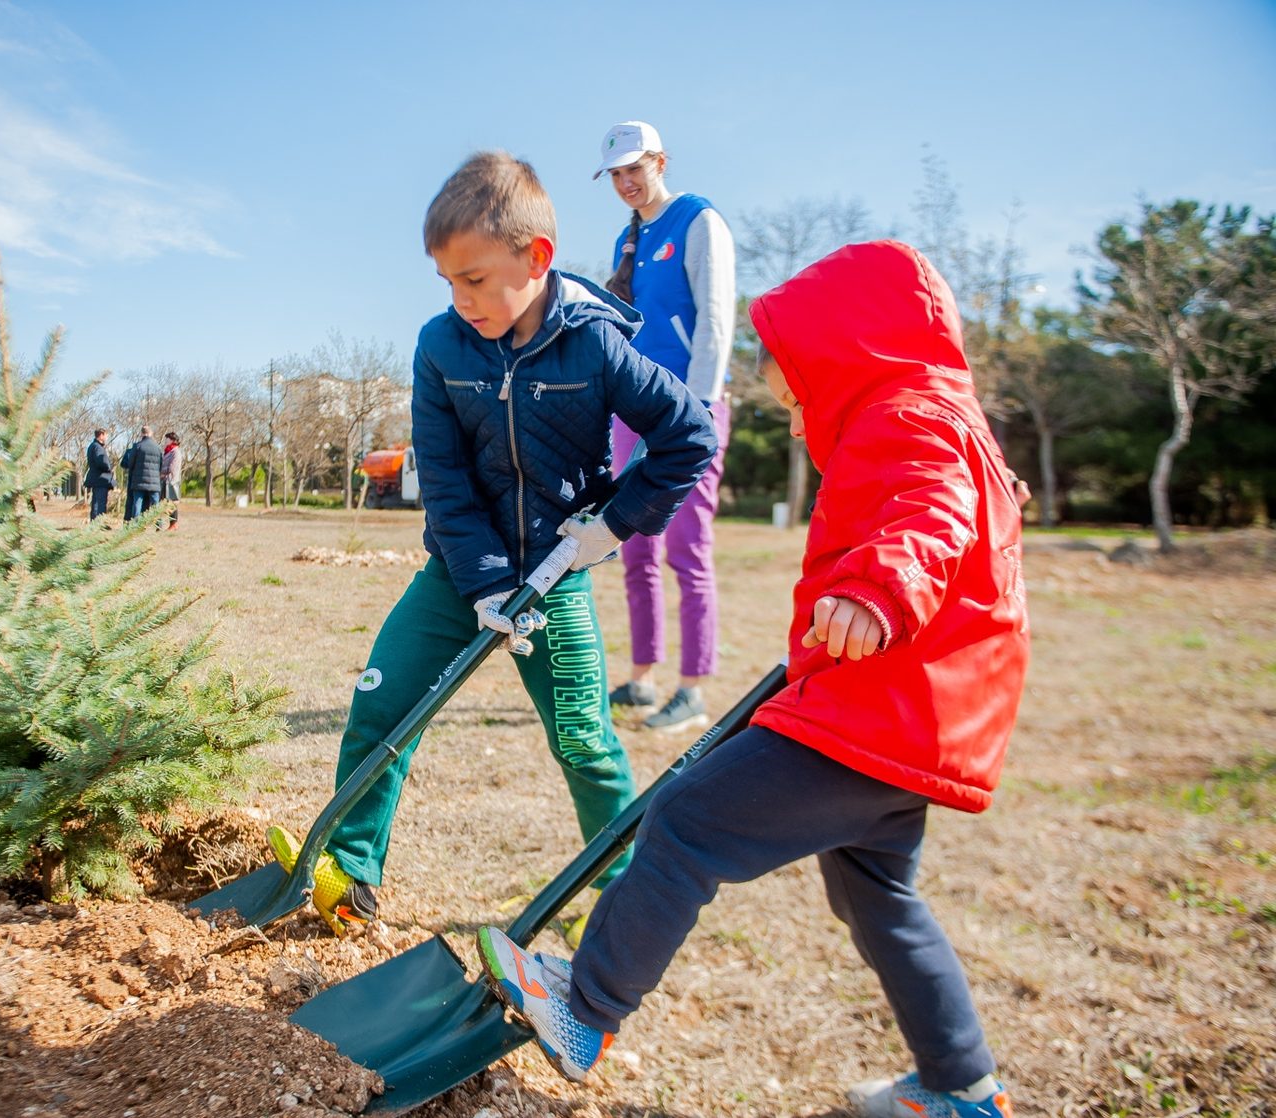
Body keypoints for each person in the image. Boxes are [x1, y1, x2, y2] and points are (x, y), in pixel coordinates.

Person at [477, 241, 1029, 1118]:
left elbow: (929, 516)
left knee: (686, 822)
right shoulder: (947, 416)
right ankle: (962, 1085)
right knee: (879, 897)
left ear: (851, 353)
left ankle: (585, 1008)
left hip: (872, 713)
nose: (793, 410)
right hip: (915, 723)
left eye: (797, 386)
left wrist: (877, 591)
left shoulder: (911, 415)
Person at [266, 152, 717, 935]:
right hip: (456, 578)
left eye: (474, 279)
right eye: (448, 281)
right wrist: (481, 583)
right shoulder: (441, 347)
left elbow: (689, 437)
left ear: (536, 258)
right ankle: (352, 873)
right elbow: (443, 478)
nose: (460, 299)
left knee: (584, 740)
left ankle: (623, 901)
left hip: (556, 578)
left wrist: (610, 528)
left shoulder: (597, 345)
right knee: (382, 708)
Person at [593, 121, 736, 733]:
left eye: (635, 168)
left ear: (660, 161)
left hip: (689, 411)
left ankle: (693, 690)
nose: (626, 182)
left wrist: (698, 410)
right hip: (634, 413)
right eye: (616, 174)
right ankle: (643, 677)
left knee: (687, 551)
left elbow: (717, 320)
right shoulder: (627, 240)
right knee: (636, 551)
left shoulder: (698, 220)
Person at [121, 425, 163, 522]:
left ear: (141, 433)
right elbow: (161, 464)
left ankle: (135, 524)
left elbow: (131, 463)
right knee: (156, 504)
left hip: (139, 480)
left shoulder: (137, 446)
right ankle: (159, 524)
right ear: (151, 433)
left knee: (137, 503)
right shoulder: (158, 447)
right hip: (154, 481)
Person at [84, 428, 115, 521]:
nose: (106, 438)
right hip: (100, 479)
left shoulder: (93, 446)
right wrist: (108, 468)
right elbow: (101, 462)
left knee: (96, 502)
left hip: (96, 478)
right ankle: (99, 522)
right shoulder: (97, 447)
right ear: (101, 435)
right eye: (106, 435)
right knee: (100, 503)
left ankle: (96, 521)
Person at [159, 430, 184, 528]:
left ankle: (173, 524)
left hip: (172, 481)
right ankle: (169, 523)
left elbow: (173, 468)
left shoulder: (176, 452)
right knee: (165, 502)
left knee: (172, 502)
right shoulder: (167, 451)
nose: (165, 441)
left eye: (167, 439)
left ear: (172, 440)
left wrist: (161, 471)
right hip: (165, 480)